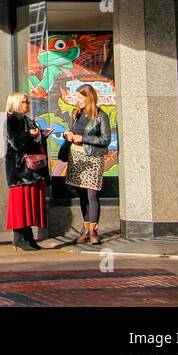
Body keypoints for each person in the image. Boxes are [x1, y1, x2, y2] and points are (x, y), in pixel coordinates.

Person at [64, 85, 111, 245]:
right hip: (76, 157)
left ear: (88, 98)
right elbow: (73, 130)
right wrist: (68, 135)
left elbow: (105, 140)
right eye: (76, 97)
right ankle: (85, 227)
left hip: (92, 158)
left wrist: (83, 139)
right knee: (82, 194)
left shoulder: (100, 116)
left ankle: (94, 231)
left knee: (92, 194)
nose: (77, 101)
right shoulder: (76, 113)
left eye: (80, 98)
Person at [5, 92, 50, 251]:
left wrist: (42, 135)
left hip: (30, 170)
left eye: (28, 102)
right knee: (21, 205)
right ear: (17, 104)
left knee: (29, 204)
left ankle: (28, 237)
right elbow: (16, 143)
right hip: (20, 170)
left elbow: (31, 139)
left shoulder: (26, 119)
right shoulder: (12, 120)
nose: (28, 104)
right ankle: (19, 237)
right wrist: (30, 135)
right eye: (25, 102)